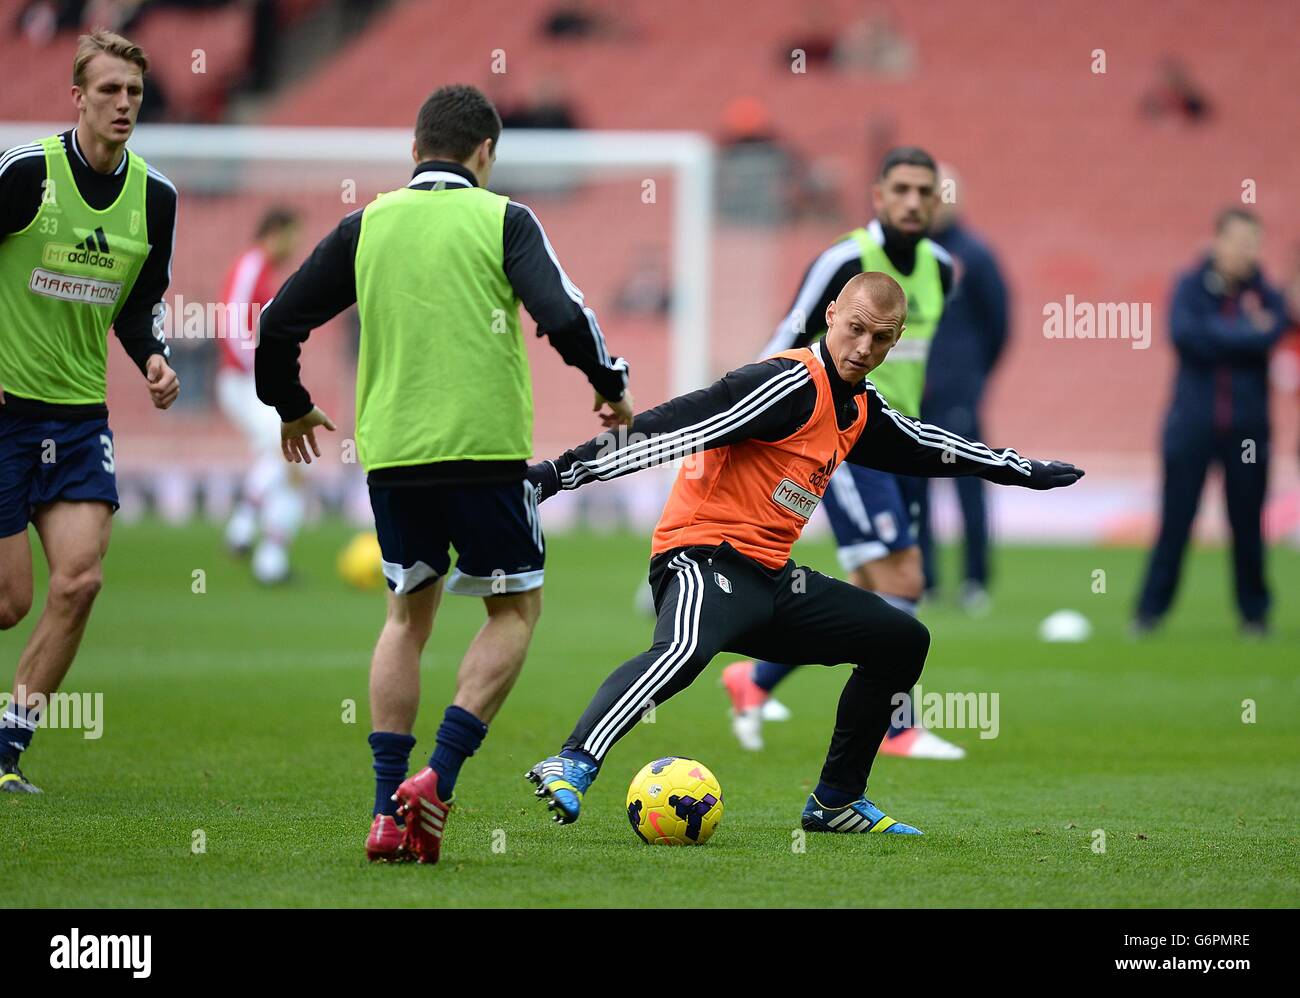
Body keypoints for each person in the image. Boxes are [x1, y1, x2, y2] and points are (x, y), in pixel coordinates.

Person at [524, 273, 1083, 834]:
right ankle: (573, 759)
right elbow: (676, 425)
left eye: (881, 338)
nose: (864, 348)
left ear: (897, 341)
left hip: (771, 580)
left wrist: (1021, 470)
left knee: (901, 640)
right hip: (702, 555)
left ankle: (836, 801)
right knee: (684, 648)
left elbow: (928, 446)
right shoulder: (787, 384)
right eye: (856, 329)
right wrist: (557, 474)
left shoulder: (860, 407)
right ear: (832, 314)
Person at [254, 84, 632, 864]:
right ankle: (439, 778)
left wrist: (290, 404)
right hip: (484, 453)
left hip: (392, 457)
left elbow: (278, 322)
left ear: (414, 146)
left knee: (404, 621)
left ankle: (383, 809)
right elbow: (561, 315)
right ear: (485, 152)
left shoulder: (368, 224)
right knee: (514, 613)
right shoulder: (504, 218)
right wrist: (608, 380)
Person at [724, 146, 964, 759]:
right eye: (901, 189)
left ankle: (754, 678)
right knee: (906, 574)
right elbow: (786, 336)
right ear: (878, 195)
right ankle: (897, 726)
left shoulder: (942, 267)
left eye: (924, 191)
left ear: (938, 201)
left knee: (869, 580)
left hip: (900, 441)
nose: (913, 202)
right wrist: (748, 419)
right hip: (846, 437)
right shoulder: (844, 259)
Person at [0, 30, 180, 793]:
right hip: (7, 413)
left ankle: (5, 750)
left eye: (134, 93)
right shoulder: (27, 174)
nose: (123, 105)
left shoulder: (156, 197)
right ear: (77, 96)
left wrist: (152, 357)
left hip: (77, 418)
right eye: (109, 91)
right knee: (9, 602)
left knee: (79, 584)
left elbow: (138, 304)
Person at [1134, 208, 1287, 636]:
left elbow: (1274, 331)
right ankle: (1150, 612)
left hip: (1249, 432)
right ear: (1218, 241)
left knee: (1248, 523)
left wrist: (1229, 333)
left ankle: (1254, 615)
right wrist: (1246, 334)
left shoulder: (1265, 294)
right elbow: (1187, 337)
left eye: (1253, 243)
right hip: (1192, 426)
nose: (1246, 252)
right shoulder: (1189, 286)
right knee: (1176, 520)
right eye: (1238, 241)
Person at [917, 165, 1009, 614]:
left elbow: (999, 324)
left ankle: (975, 579)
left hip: (957, 392)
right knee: (913, 484)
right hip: (911, 391)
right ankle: (925, 579)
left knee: (969, 478)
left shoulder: (975, 255)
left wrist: (971, 376)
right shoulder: (906, 255)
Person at [216, 206, 304, 584]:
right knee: (294, 455)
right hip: (243, 382)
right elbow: (232, 320)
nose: (295, 245)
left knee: (294, 465)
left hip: (251, 381)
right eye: (292, 236)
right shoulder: (252, 265)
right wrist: (257, 369)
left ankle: (269, 560)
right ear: (276, 232)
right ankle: (244, 524)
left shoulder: (264, 271)